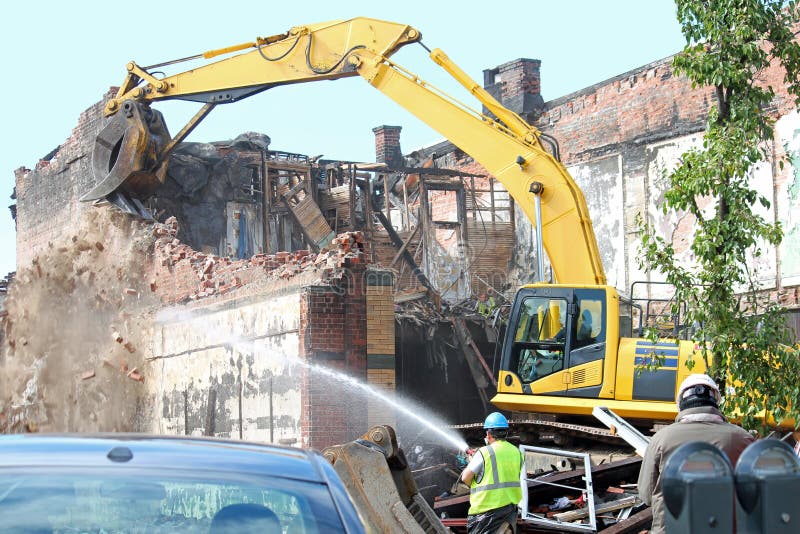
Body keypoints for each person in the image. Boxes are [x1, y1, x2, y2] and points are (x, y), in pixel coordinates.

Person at [637, 374, 755, 534]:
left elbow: (646, 494)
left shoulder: (661, 439)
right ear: (716, 402)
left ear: (681, 404)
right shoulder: (744, 439)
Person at [461, 412, 528, 533]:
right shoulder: (517, 453)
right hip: (509, 512)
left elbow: (465, 478)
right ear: (506, 432)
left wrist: (473, 466)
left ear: (489, 433)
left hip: (485, 513)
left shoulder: (484, 452)